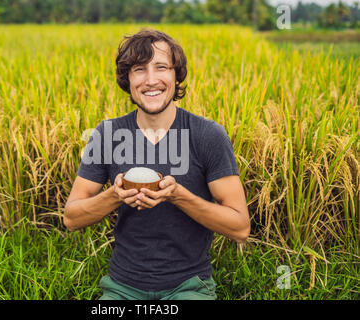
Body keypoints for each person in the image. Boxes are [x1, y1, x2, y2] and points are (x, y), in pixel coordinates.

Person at [63, 28, 250, 300]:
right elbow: (71, 218)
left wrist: (178, 195)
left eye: (161, 67)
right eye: (139, 69)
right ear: (127, 79)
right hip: (123, 287)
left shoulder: (207, 135)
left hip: (189, 286)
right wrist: (115, 195)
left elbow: (240, 228)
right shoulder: (107, 135)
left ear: (176, 76)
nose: (151, 80)